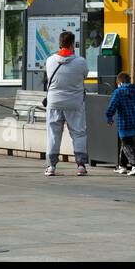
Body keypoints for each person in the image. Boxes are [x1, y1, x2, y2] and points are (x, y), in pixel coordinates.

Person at [44, 30, 89, 177]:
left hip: (54, 102)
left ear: (60, 43)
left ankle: (51, 166)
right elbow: (84, 75)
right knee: (78, 133)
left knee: (53, 134)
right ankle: (81, 165)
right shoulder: (81, 62)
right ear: (71, 44)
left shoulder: (50, 61)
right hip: (74, 103)